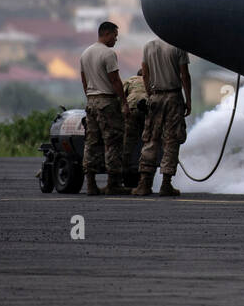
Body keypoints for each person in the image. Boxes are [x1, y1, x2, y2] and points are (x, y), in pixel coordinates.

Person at [134, 35, 191, 197]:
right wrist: (188, 100)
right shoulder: (178, 46)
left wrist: (150, 94)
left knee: (151, 138)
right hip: (173, 97)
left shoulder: (148, 46)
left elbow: (145, 74)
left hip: (155, 97)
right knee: (172, 140)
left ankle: (144, 184)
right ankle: (166, 184)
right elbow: (184, 76)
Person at [79, 21, 129, 196]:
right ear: (106, 34)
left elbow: (84, 80)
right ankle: (113, 183)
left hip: (91, 101)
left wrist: (90, 97)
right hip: (107, 102)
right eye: (114, 35)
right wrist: (124, 102)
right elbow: (115, 80)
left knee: (91, 143)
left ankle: (91, 184)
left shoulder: (85, 54)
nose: (116, 39)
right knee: (113, 142)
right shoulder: (108, 54)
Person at [121, 70, 148, 185]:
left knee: (128, 142)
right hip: (147, 108)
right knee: (148, 141)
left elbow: (120, 96)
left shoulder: (130, 80)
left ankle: (124, 170)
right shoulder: (151, 80)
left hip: (132, 107)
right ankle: (145, 173)